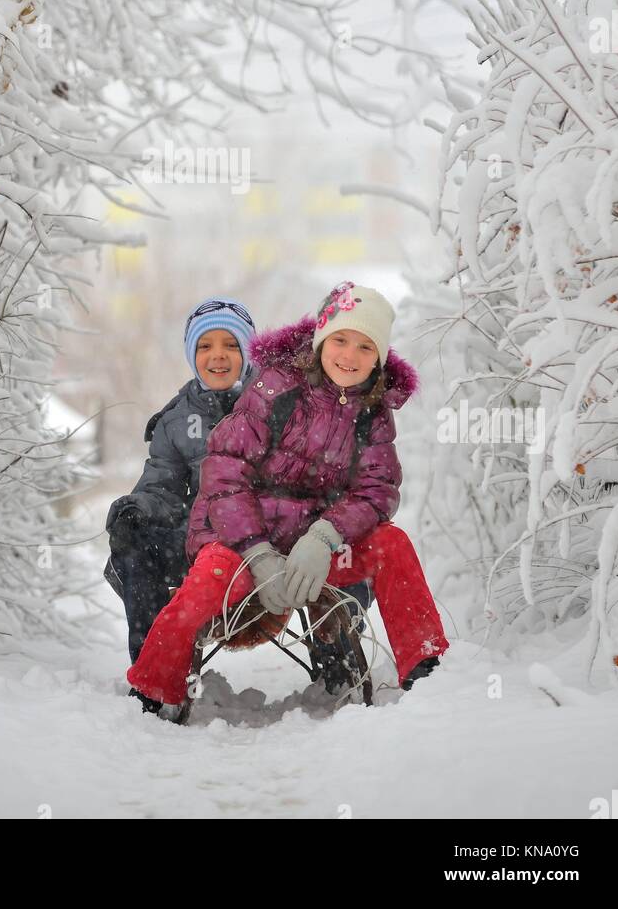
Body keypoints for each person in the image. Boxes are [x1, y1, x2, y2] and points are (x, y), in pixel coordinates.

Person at [126, 281, 449, 718]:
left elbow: (377, 489)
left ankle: (427, 670)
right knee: (203, 584)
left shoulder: (374, 412)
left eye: (365, 347)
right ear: (320, 340)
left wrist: (325, 536)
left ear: (379, 357)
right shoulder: (278, 387)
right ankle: (151, 690)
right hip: (239, 545)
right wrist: (259, 554)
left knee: (393, 544)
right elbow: (224, 471)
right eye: (340, 339)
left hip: (314, 555)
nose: (349, 356)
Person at [104, 298, 258, 664]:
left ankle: (338, 658)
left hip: (271, 539)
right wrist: (137, 509)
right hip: (201, 542)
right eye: (205, 346)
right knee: (135, 543)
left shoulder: (276, 402)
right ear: (192, 355)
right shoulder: (176, 419)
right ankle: (156, 667)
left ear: (249, 352)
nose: (217, 356)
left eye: (231, 345)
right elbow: (162, 487)